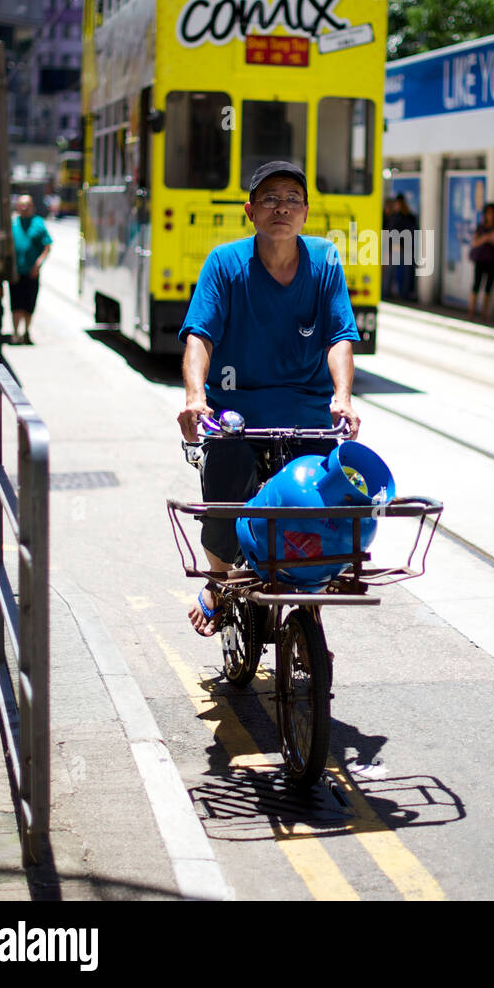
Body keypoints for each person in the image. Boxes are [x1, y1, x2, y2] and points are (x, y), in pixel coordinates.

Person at [177, 161, 361, 635]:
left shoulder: (325, 261)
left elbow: (340, 336)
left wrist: (342, 397)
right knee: (228, 477)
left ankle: (311, 594)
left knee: (325, 499)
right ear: (250, 211)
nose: (282, 207)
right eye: (270, 199)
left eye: (292, 199)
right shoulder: (225, 263)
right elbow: (199, 335)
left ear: (305, 213)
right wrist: (196, 396)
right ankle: (218, 580)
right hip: (241, 413)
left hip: (307, 415)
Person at [8, 194, 53, 345]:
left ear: (32, 207)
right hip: (16, 272)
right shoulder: (13, 224)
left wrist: (38, 264)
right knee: (16, 304)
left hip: (32, 273)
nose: (24, 207)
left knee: (29, 304)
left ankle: (26, 332)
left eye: (27, 205)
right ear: (17, 207)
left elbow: (47, 246)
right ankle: (15, 333)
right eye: (21, 205)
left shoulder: (38, 223)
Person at [467, 203, 494, 318]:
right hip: (480, 260)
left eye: (492, 213)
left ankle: (484, 313)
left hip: (492, 261)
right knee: (476, 284)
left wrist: (492, 240)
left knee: (488, 288)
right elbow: (474, 242)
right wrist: (486, 238)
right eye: (488, 213)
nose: (490, 215)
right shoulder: (480, 227)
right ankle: (471, 310)